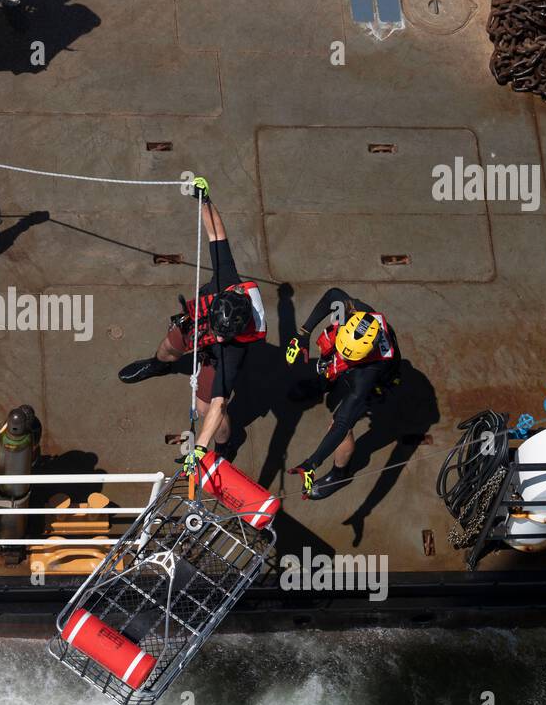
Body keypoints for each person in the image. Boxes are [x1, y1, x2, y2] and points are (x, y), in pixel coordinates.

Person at [118, 180, 267, 471]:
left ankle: (225, 445)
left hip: (213, 346)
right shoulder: (227, 278)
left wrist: (199, 448)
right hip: (200, 323)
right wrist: (205, 200)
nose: (221, 340)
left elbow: (220, 403)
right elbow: (216, 233)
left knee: (206, 408)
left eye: (226, 336)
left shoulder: (231, 350)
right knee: (169, 346)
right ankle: (157, 365)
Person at [284, 289, 401, 500]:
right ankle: (324, 383)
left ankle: (340, 474)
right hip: (354, 357)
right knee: (328, 344)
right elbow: (332, 295)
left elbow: (341, 424)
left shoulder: (368, 375)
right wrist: (304, 333)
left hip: (375, 382)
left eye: (348, 358)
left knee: (340, 428)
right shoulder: (356, 313)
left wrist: (312, 462)